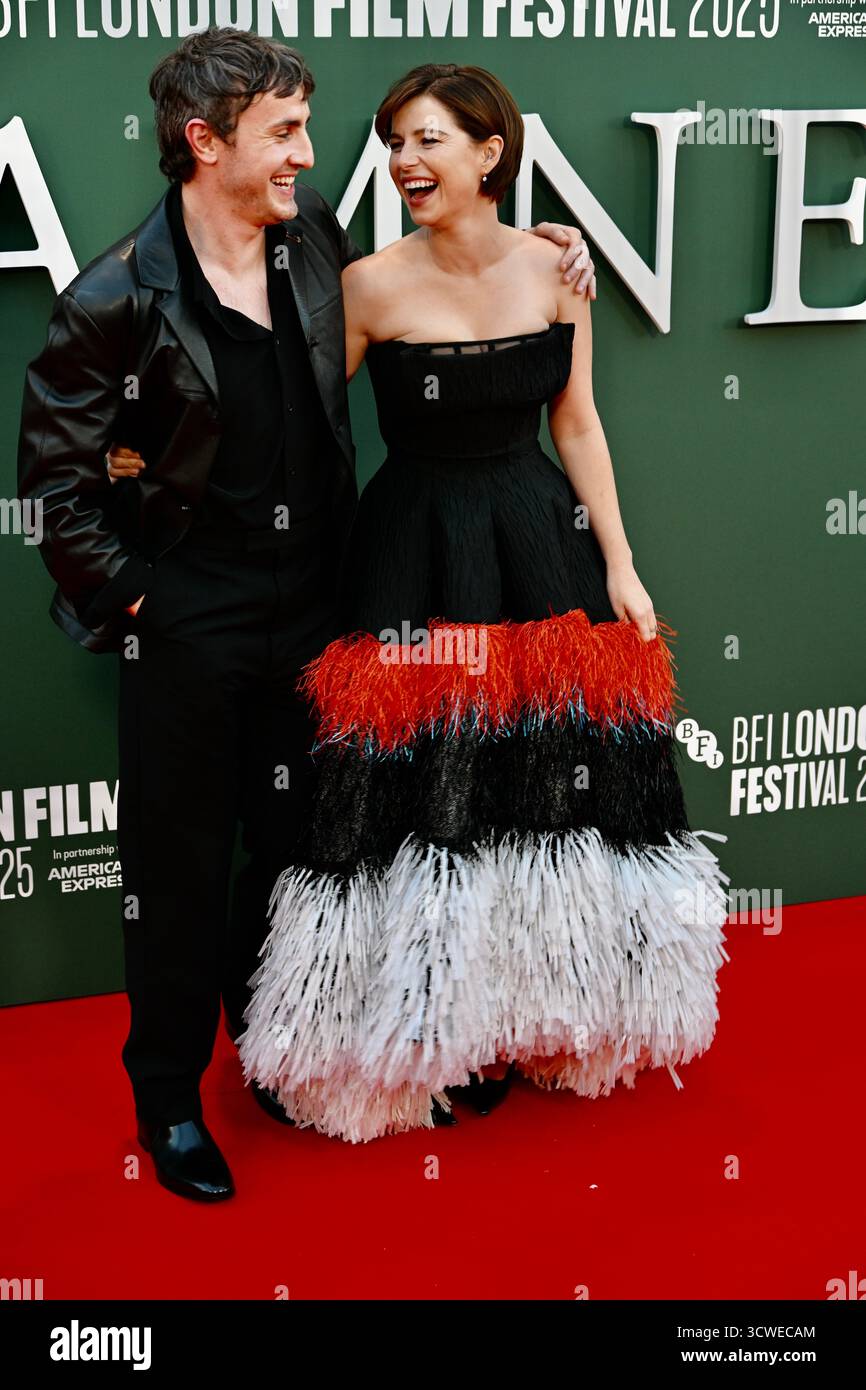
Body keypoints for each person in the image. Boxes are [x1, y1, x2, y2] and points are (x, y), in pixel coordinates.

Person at [18, 29, 595, 1203]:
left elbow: (443, 266)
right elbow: (52, 498)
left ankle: (278, 1053)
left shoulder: (312, 237)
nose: (307, 153)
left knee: (303, 855)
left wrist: (549, 244)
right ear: (202, 141)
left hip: (324, 603)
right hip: (188, 618)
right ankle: (171, 1103)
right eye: (282, 131)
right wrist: (147, 601)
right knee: (174, 870)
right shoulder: (113, 298)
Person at [233, 63, 730, 1144]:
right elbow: (300, 438)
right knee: (419, 794)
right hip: (411, 554)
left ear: (488, 153)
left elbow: (578, 425)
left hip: (538, 547)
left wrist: (621, 565)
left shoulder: (556, 265)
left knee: (541, 782)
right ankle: (413, 1040)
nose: (405, 163)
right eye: (395, 145)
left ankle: (527, 1016)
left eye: (428, 141)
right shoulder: (367, 284)